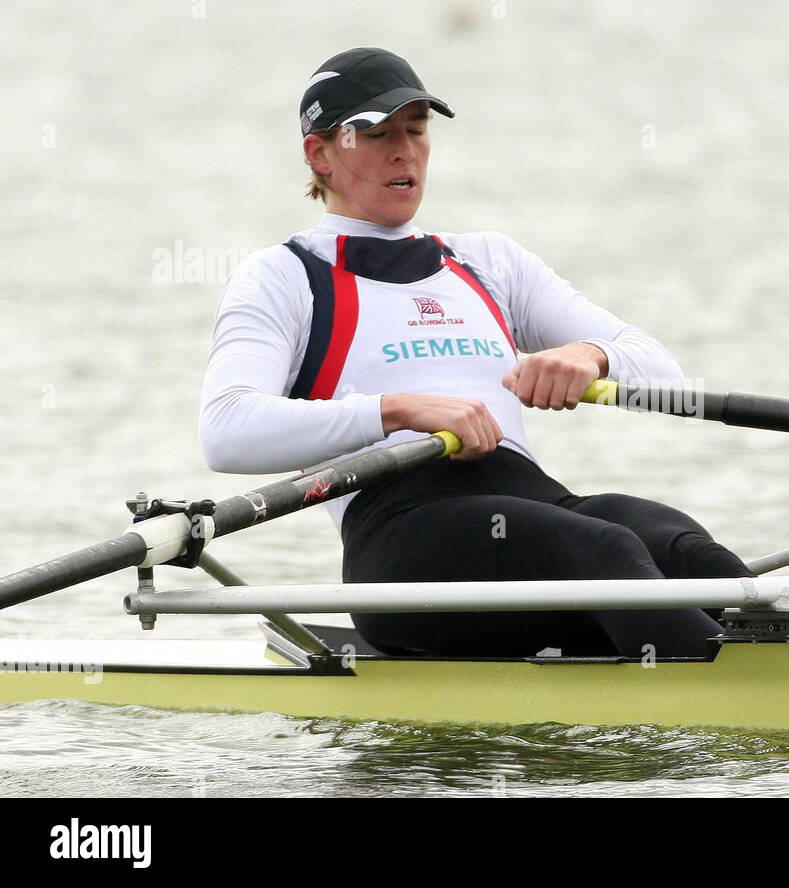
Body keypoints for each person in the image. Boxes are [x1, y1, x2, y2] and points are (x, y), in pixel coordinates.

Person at [200, 47, 752, 658]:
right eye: (376, 134)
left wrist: (590, 356)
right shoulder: (283, 277)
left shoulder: (489, 262)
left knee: (680, 546)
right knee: (605, 549)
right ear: (319, 154)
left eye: (416, 129)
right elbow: (226, 431)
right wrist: (399, 410)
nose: (404, 151)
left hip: (536, 504)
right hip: (402, 544)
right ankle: (735, 694)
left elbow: (663, 374)